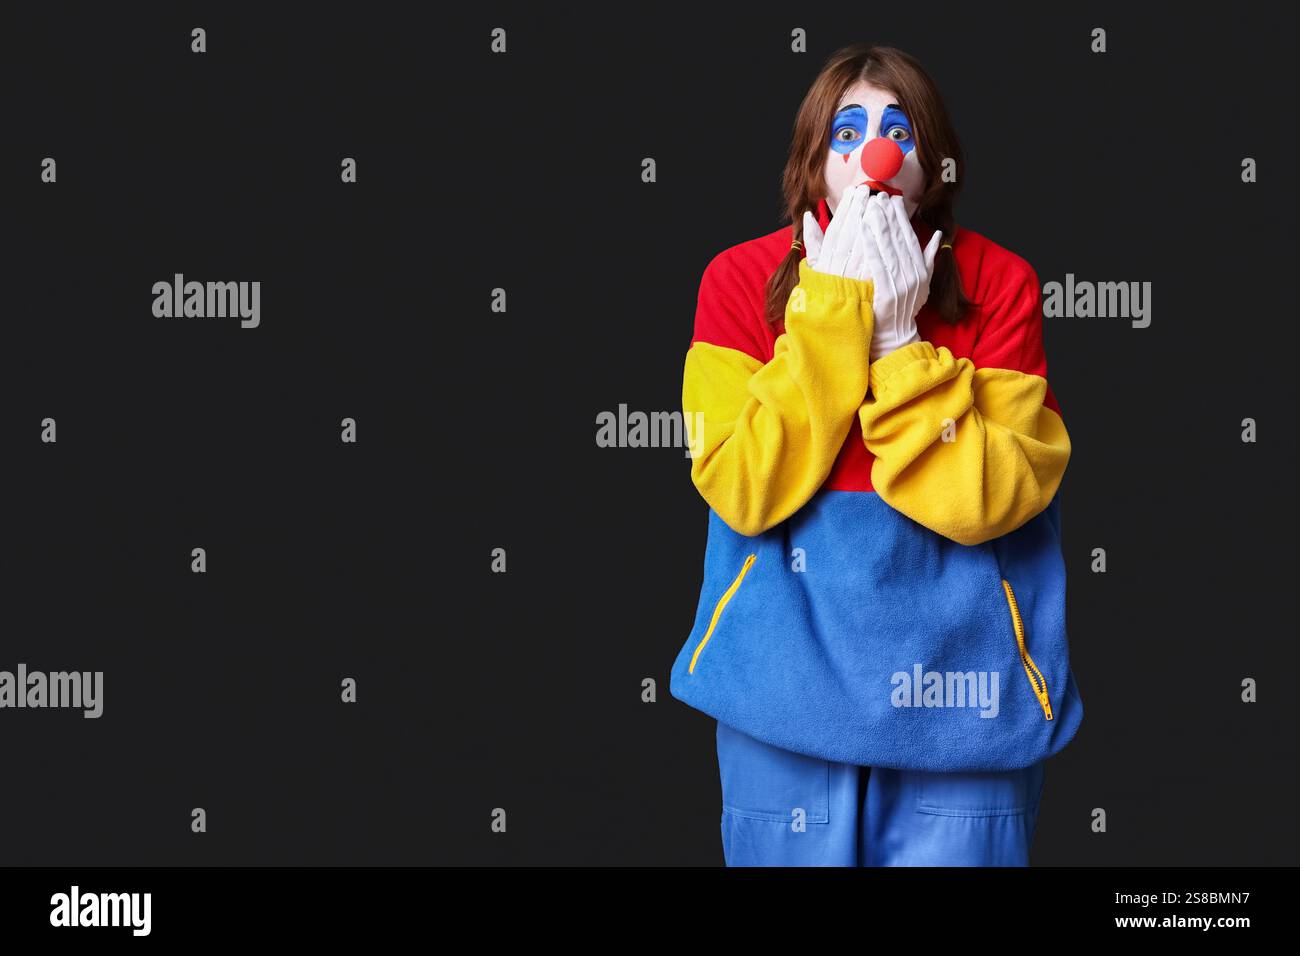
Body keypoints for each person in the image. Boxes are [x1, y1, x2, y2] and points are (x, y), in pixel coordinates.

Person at [668, 43, 1084, 866]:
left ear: (935, 163)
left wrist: (897, 343)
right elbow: (745, 487)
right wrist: (832, 314)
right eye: (847, 131)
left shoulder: (1001, 282)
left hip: (967, 698)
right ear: (813, 162)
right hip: (780, 690)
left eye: (900, 130)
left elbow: (993, 499)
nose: (876, 153)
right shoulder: (737, 279)